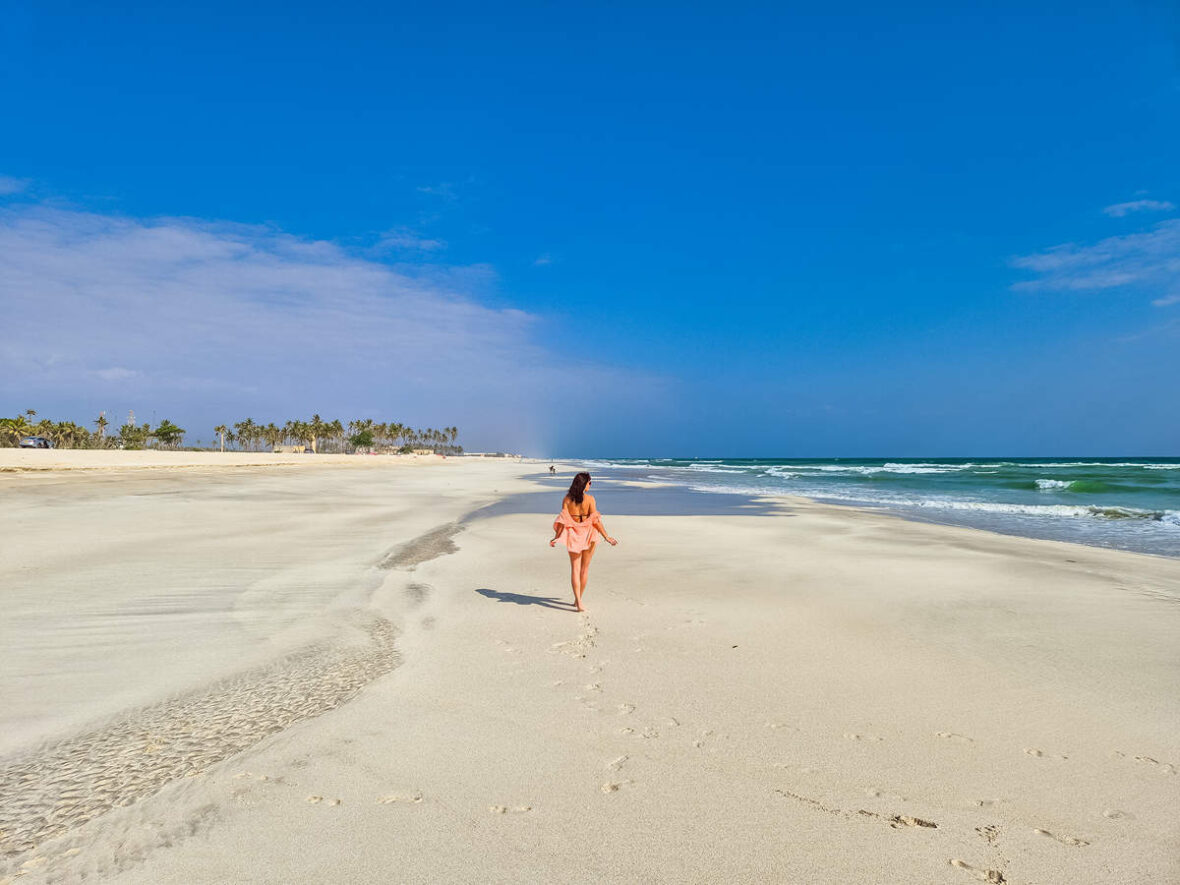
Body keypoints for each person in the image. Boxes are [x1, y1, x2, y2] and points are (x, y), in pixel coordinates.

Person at [550, 472, 617, 612]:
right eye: (589, 482)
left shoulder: (567, 500)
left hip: (573, 535)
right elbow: (595, 521)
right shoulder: (590, 499)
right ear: (584, 484)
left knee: (575, 568)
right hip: (589, 534)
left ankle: (578, 601)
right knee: (584, 569)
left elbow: (562, 521)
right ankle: (578, 600)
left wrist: (556, 536)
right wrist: (606, 536)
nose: (590, 485)